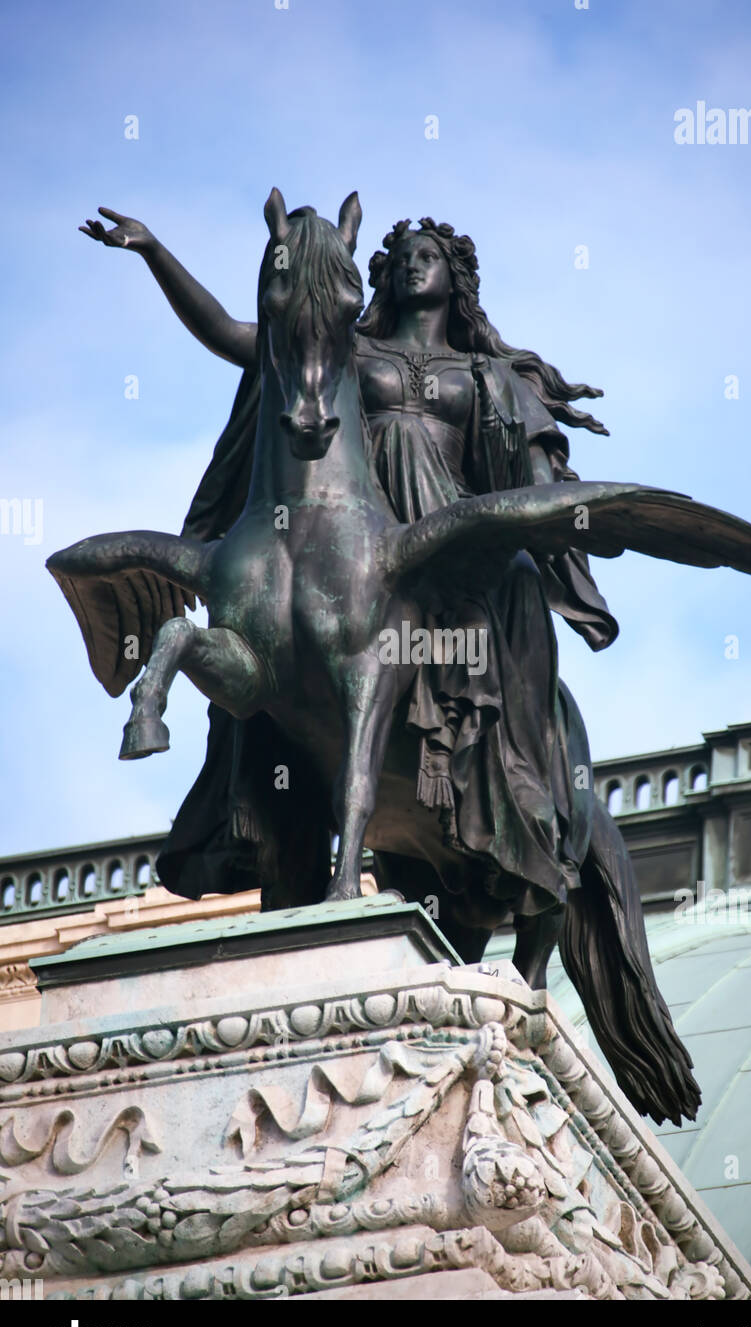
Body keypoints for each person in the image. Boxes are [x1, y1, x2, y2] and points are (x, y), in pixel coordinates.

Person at [80, 205, 618, 917]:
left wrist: (551, 514)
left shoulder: (490, 376)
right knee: (261, 602)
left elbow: (530, 472)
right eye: (397, 257)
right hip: (356, 532)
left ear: (455, 278)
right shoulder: (346, 351)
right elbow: (239, 336)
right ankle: (258, 789)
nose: (409, 263)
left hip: (451, 531)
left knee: (516, 573)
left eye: (426, 254)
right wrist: (155, 253)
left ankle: (521, 774)